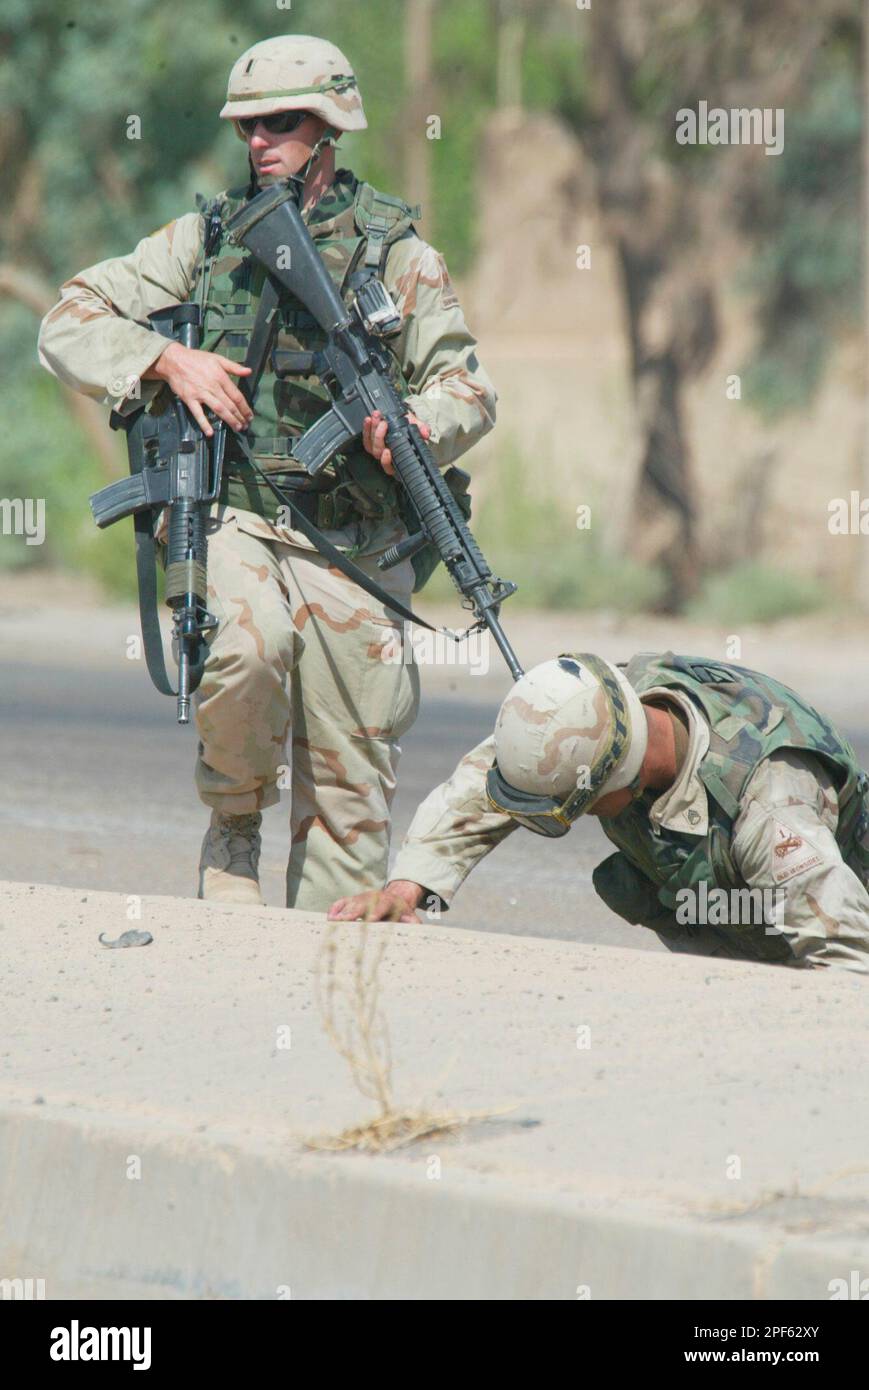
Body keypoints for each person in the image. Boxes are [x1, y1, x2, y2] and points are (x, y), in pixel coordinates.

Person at [38, 34, 496, 910]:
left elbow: (468, 388)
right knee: (245, 649)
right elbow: (66, 318)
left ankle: (320, 989)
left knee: (350, 807)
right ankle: (234, 826)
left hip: (356, 540)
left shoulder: (398, 256)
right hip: (235, 514)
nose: (259, 141)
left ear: (329, 130)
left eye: (280, 123)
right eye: (247, 125)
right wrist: (167, 361)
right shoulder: (205, 239)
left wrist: (412, 429)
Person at [329, 650, 869, 974]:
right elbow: (490, 776)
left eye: (579, 807)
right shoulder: (599, 704)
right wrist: (405, 890)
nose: (584, 817)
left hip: (832, 910)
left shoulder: (771, 806)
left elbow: (847, 960)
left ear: (618, 778)